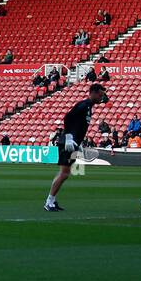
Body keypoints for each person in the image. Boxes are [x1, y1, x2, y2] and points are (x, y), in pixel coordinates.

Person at [45, 83, 107, 212]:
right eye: (100, 95)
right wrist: (68, 136)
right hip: (67, 142)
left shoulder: (89, 106)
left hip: (72, 142)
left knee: (65, 173)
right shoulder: (84, 105)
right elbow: (68, 117)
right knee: (65, 173)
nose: (101, 97)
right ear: (93, 93)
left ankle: (52, 200)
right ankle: (49, 201)